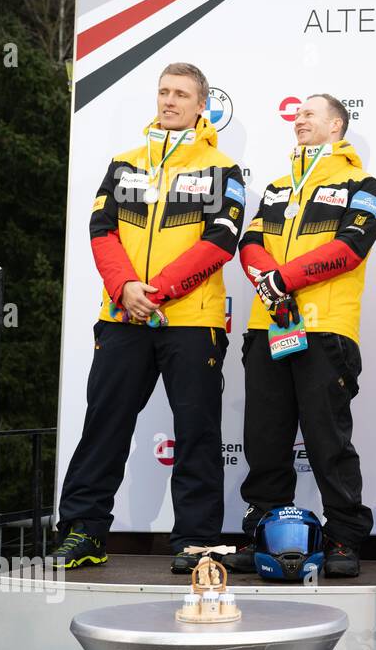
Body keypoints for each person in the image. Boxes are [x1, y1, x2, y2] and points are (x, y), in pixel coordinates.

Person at [54, 62, 245, 573]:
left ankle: (195, 540)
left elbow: (220, 240)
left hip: (191, 320)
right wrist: (125, 289)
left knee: (197, 432)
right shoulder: (123, 163)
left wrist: (155, 292)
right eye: (163, 91)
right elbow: (101, 231)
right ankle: (83, 532)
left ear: (202, 104)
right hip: (122, 319)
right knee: (103, 427)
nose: (169, 101)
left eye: (181, 94)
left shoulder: (223, 168)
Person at [225, 94, 376, 577]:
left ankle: (344, 537)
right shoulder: (277, 188)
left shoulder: (363, 184)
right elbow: (250, 243)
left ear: (336, 125)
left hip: (325, 331)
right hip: (266, 327)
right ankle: (265, 532)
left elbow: (351, 245)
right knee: (264, 440)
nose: (299, 119)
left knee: (327, 441)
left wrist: (285, 279)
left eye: (310, 113)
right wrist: (269, 281)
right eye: (297, 114)